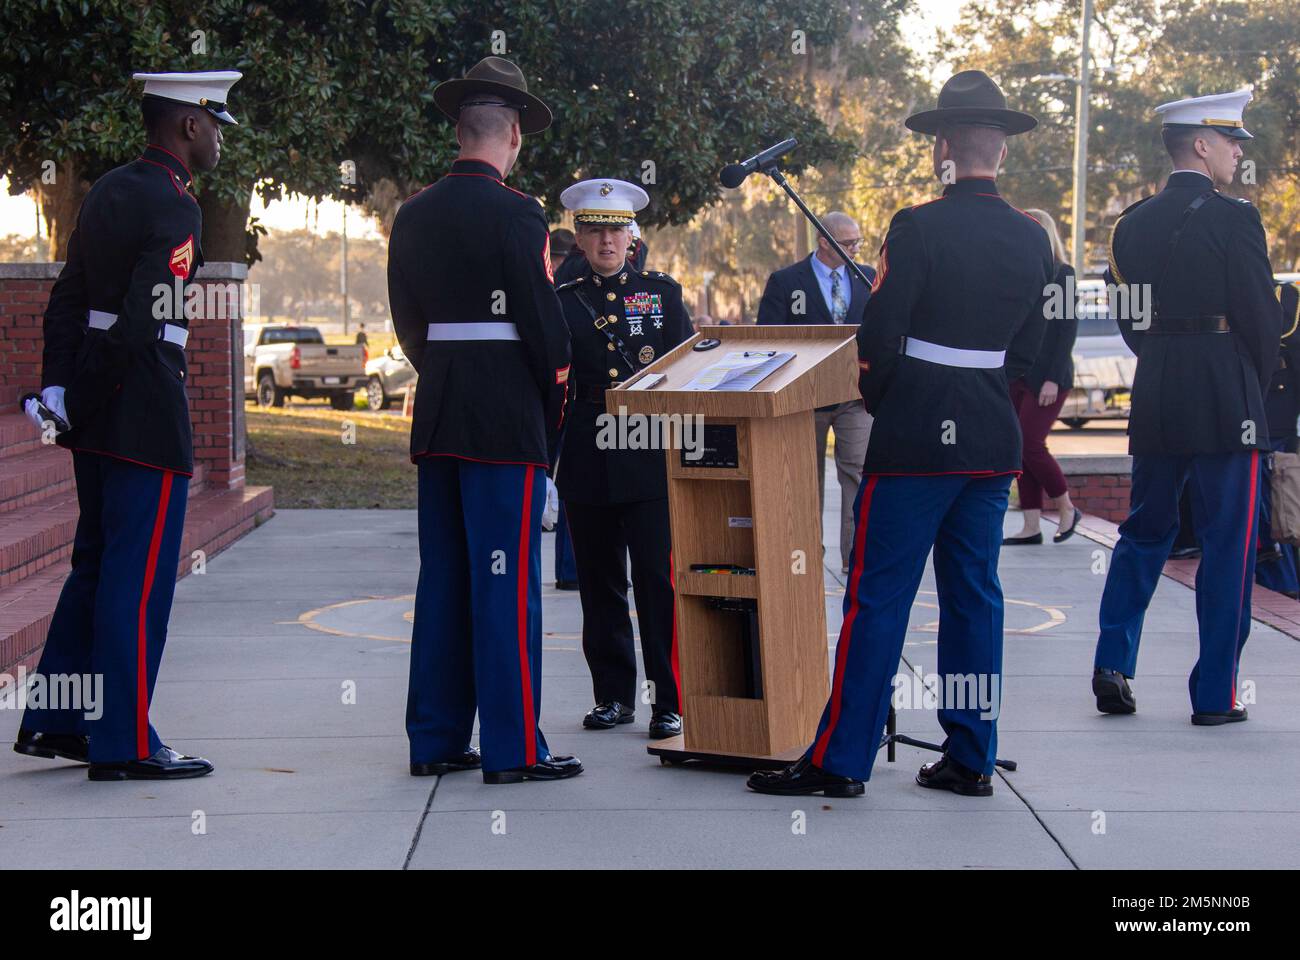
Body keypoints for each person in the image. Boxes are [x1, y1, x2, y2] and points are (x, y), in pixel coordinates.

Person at [749, 69, 1050, 798]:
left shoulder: (917, 225)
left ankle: (842, 760)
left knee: (878, 598)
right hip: (988, 440)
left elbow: (879, 336)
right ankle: (971, 757)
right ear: (1001, 151)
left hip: (917, 436)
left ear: (942, 146)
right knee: (974, 599)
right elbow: (1038, 347)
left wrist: (887, 397)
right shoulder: (1029, 236)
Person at [14, 70, 243, 781]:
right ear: (187, 125)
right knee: (136, 580)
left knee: (96, 567)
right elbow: (145, 324)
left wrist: (61, 385)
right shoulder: (175, 208)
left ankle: (61, 722)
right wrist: (81, 388)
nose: (219, 139)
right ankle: (124, 741)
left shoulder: (110, 190)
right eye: (214, 125)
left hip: (97, 405)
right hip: (141, 401)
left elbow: (68, 298)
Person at [387, 56, 581, 783]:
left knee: (443, 579)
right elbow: (546, 332)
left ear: (460, 131)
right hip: (504, 420)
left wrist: (443, 372)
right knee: (504, 581)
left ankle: (434, 739)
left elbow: (408, 322)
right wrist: (550, 406)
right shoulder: (518, 213)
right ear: (516, 138)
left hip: (440, 413)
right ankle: (514, 748)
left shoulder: (414, 212)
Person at [1092, 89, 1281, 725]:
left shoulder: (1130, 222)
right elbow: (1260, 318)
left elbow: (1131, 322)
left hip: (1159, 391)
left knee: (1145, 529)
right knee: (1228, 543)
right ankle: (1213, 695)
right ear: (1202, 144)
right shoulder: (1237, 218)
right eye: (1232, 141)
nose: (1237, 152)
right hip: (1227, 396)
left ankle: (1112, 661)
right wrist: (1254, 383)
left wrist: (1168, 358)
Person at [554, 178, 692, 739]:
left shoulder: (663, 295)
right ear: (579, 239)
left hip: (646, 448)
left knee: (658, 581)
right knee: (599, 581)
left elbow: (686, 370)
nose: (605, 240)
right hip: (589, 445)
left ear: (631, 237)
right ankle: (612, 696)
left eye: (615, 229)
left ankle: (668, 701)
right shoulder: (561, 300)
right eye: (593, 230)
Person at [757, 213, 876, 573]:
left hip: (857, 396)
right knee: (807, 479)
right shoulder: (786, 281)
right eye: (849, 242)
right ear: (824, 241)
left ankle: (855, 557)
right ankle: (806, 556)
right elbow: (770, 338)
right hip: (804, 399)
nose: (856, 248)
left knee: (857, 472)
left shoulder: (869, 278)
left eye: (858, 242)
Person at [1004, 208, 1081, 544]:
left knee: (1031, 443)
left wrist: (1051, 378)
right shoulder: (1020, 271)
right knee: (1019, 447)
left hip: (1049, 376)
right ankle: (1032, 525)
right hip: (1017, 374)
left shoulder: (1062, 274)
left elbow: (1066, 331)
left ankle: (1066, 507)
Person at [1257, 279, 1300, 597]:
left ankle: (1283, 583)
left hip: (1277, 422)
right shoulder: (1279, 297)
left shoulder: (1286, 298)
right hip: (1265, 420)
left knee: (1280, 508)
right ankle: (1280, 582)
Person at [547, 228, 579, 590]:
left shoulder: (562, 276)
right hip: (574, 394)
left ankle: (569, 569)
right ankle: (571, 569)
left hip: (561, 391)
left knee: (563, 484)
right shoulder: (576, 275)